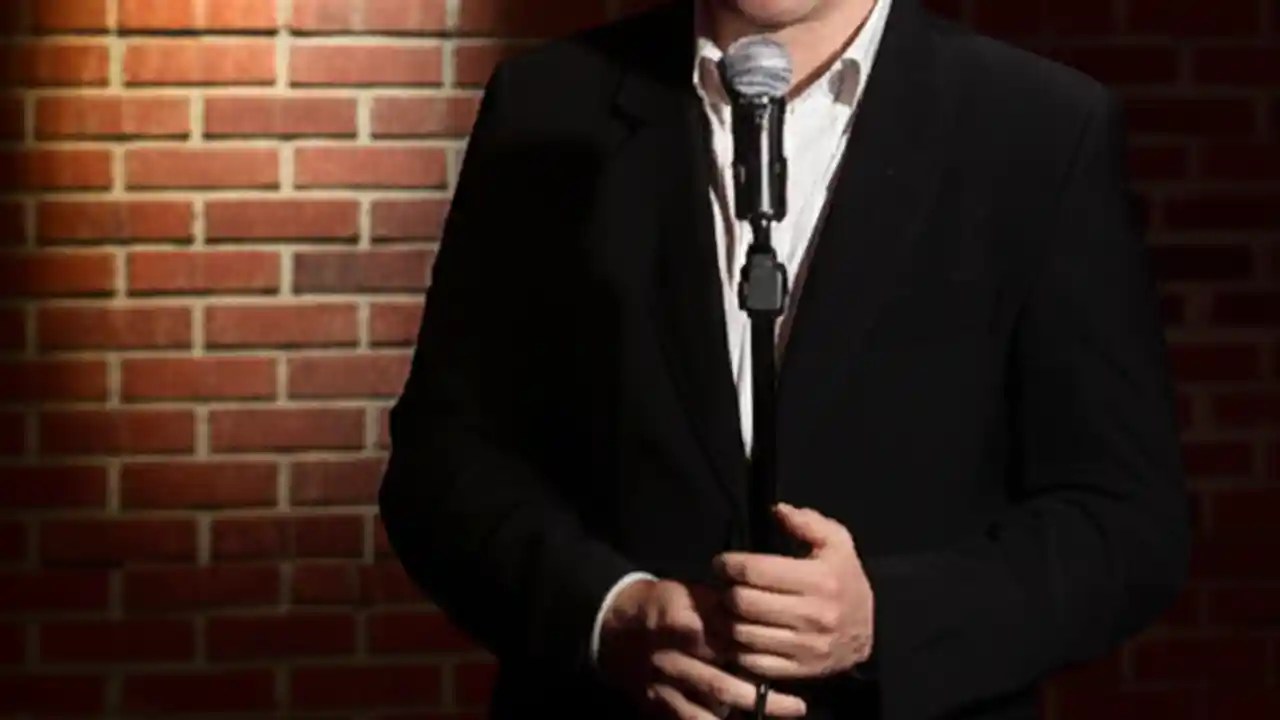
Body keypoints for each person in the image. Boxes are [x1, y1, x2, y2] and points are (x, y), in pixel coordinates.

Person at [378, 0, 1190, 718]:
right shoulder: (547, 104)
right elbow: (444, 465)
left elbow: (1125, 521)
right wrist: (609, 615)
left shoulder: (1040, 127)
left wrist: (887, 621)